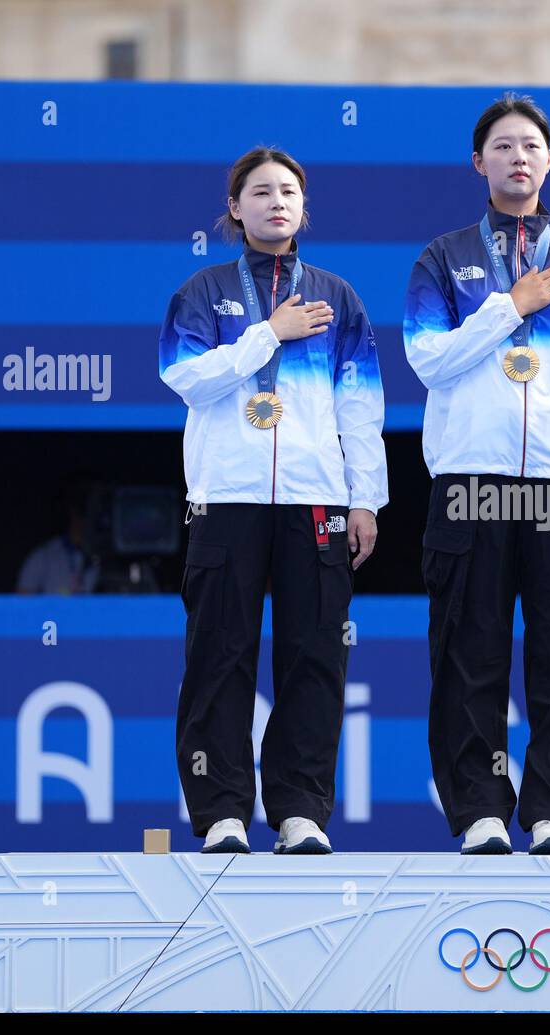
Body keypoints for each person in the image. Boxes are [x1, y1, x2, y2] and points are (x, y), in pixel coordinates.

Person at [403, 92, 550, 856]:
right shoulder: (443, 258)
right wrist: (509, 305)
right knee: (467, 652)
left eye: (531, 146)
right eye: (503, 146)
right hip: (470, 478)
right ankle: (479, 810)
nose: (518, 157)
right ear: (479, 161)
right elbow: (428, 359)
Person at [158, 146, 387, 856]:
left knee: (314, 658)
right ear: (235, 208)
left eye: (288, 191)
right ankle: (222, 812)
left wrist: (365, 499)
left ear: (303, 207)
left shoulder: (337, 297)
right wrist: (267, 334)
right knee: (219, 656)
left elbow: (361, 408)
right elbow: (185, 378)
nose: (276, 201)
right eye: (260, 192)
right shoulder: (202, 292)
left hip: (315, 499)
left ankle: (300, 812)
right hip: (225, 497)